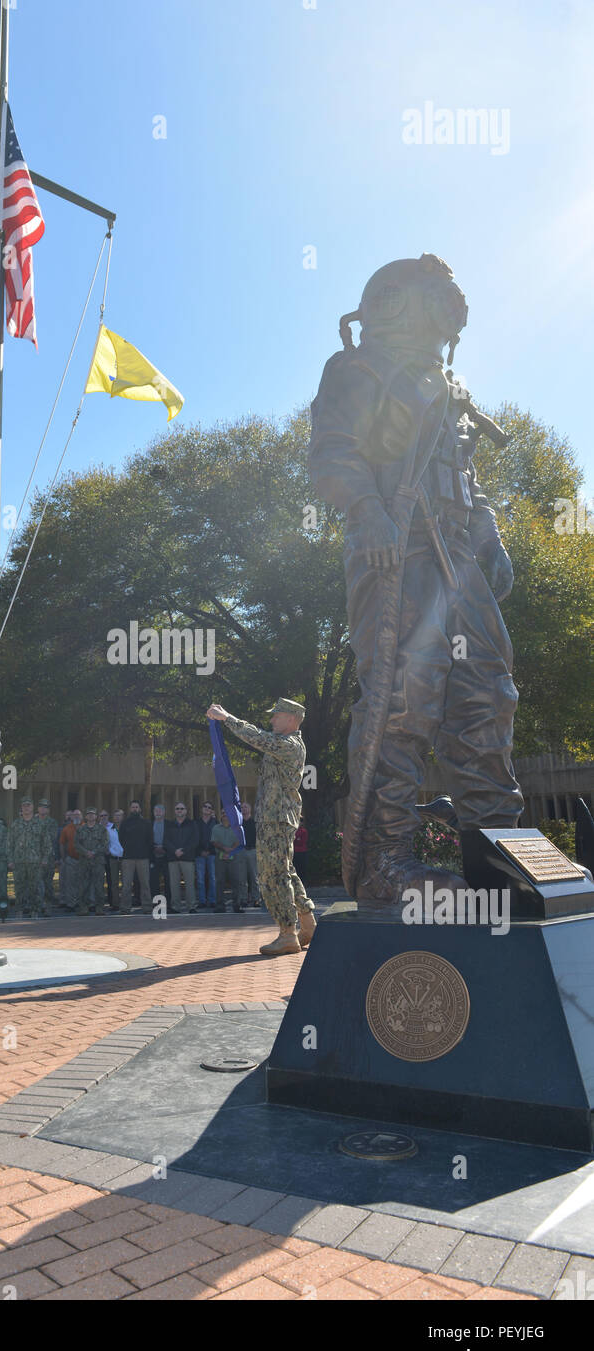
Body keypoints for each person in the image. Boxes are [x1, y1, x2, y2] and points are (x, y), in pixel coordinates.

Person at [308, 253, 523, 905]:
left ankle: (497, 850)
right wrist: (367, 511)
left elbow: (467, 475)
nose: (449, 313)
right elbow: (331, 452)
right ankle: (384, 859)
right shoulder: (357, 368)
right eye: (437, 300)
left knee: (488, 691)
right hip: (397, 545)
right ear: (398, 302)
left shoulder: (447, 387)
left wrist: (487, 536)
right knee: (401, 697)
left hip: (457, 551)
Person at [207, 699, 316, 956]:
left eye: (276, 716)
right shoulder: (286, 744)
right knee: (285, 871)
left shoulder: (288, 745)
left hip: (276, 819)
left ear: (291, 719)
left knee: (271, 876)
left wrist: (227, 718)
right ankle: (308, 923)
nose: (271, 720)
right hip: (276, 818)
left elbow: (257, 737)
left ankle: (287, 933)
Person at [8, 797, 46, 919]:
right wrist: (10, 860)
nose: (26, 807)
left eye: (28, 805)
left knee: (34, 887)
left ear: (32, 807)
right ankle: (19, 910)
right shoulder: (15, 824)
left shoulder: (40, 824)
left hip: (35, 861)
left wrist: (45, 858)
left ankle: (35, 910)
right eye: (24, 805)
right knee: (19, 887)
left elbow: (46, 843)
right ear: (21, 808)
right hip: (19, 861)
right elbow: (10, 843)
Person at [163, 801, 199, 914]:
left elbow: (195, 840)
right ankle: (175, 907)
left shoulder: (192, 824)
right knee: (174, 884)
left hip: (187, 858)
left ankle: (191, 906)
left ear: (186, 811)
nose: (179, 810)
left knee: (190, 884)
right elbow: (165, 840)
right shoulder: (169, 824)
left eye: (182, 808)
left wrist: (183, 851)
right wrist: (174, 851)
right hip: (173, 858)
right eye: (177, 808)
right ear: (175, 811)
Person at [119, 799, 152, 914]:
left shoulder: (146, 823)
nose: (135, 809)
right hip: (128, 858)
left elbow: (150, 840)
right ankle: (125, 908)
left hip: (143, 858)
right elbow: (121, 839)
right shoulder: (125, 823)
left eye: (137, 807)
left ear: (140, 809)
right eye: (133, 807)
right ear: (130, 809)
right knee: (126, 885)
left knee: (145, 884)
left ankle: (147, 907)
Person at [74, 807, 109, 915]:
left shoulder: (102, 830)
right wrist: (86, 852)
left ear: (96, 816)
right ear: (85, 816)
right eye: (88, 814)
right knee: (83, 886)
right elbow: (76, 844)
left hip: (97, 861)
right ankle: (84, 908)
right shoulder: (80, 829)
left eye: (92, 814)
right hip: (84, 862)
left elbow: (105, 844)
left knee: (99, 886)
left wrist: (94, 852)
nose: (90, 816)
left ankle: (100, 908)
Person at [211, 809, 245, 913]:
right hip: (220, 858)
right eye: (222, 813)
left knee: (236, 881)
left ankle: (237, 905)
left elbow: (239, 841)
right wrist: (224, 849)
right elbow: (214, 841)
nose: (225, 815)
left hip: (234, 857)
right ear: (220, 816)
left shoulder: (237, 828)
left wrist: (230, 851)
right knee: (219, 881)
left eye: (227, 813)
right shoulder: (216, 828)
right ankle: (220, 905)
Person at [195, 800, 218, 910]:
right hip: (199, 855)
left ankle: (212, 900)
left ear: (211, 810)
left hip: (212, 854)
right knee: (200, 879)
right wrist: (200, 851)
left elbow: (217, 838)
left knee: (212, 878)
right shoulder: (196, 823)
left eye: (209, 807)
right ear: (202, 809)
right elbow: (194, 839)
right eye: (205, 807)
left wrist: (210, 850)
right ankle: (202, 901)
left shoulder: (215, 822)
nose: (207, 808)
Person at [37, 798, 59, 909]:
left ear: (48, 810)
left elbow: (52, 838)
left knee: (48, 882)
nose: (43, 809)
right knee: (36, 882)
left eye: (45, 807)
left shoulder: (52, 823)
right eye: (41, 806)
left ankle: (48, 905)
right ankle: (38, 905)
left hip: (48, 857)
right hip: (35, 857)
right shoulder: (33, 821)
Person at [59, 810, 82, 911]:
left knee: (82, 882)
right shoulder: (67, 829)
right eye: (74, 815)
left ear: (81, 816)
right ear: (71, 817)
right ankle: (70, 903)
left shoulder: (85, 827)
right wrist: (64, 857)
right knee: (70, 882)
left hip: (83, 860)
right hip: (71, 859)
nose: (76, 817)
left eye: (78, 815)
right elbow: (62, 843)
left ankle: (82, 903)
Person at [100, 810, 123, 911]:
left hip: (124, 858)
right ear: (113, 818)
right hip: (113, 858)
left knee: (126, 882)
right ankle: (115, 904)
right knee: (114, 882)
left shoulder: (125, 828)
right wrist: (108, 851)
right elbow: (106, 842)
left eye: (119, 816)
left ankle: (125, 903)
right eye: (116, 816)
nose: (117, 818)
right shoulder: (109, 829)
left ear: (122, 817)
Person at [240, 801, 261, 907]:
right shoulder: (239, 823)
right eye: (242, 807)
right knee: (242, 877)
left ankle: (256, 898)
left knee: (254, 877)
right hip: (242, 851)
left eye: (246, 807)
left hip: (253, 851)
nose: (244, 809)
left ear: (250, 809)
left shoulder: (255, 822)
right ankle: (243, 898)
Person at [150, 803, 170, 905]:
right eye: (156, 811)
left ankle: (169, 904)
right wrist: (155, 847)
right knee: (154, 881)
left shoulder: (169, 824)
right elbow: (147, 840)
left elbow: (171, 839)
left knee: (168, 880)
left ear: (164, 812)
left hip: (166, 855)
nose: (157, 812)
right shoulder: (149, 824)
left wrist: (164, 848)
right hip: (154, 856)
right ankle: (156, 903)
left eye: (160, 810)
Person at [0, 812, 10, 921]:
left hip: (0, 862)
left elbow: (6, 845)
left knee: (1, 888)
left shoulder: (3, 829)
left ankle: (3, 912)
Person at [293, 819, 309, 887]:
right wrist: (297, 840)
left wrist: (296, 840)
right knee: (295, 868)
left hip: (302, 852)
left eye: (300, 821)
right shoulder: (293, 831)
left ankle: (303, 883)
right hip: (294, 852)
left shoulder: (303, 831)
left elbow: (302, 842)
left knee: (302, 869)